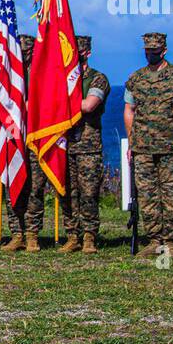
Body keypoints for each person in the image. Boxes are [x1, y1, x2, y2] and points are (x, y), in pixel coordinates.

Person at [124, 32, 173, 258]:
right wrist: (131, 141)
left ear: (164, 51)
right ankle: (154, 240)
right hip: (143, 149)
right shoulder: (135, 79)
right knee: (147, 196)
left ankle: (171, 241)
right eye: (148, 51)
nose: (151, 55)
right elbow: (129, 110)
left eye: (155, 51)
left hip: (172, 148)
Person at [0, 34, 45, 251]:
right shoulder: (2, 82)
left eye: (27, 52)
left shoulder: (42, 79)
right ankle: (16, 233)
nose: (23, 56)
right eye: (19, 52)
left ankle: (32, 234)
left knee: (35, 188)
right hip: (12, 140)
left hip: (35, 140)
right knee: (11, 186)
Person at [59, 35, 110, 253]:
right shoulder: (60, 79)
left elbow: (89, 105)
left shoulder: (98, 78)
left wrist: (58, 103)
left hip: (88, 146)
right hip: (63, 143)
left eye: (78, 52)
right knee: (67, 193)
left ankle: (89, 236)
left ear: (87, 53)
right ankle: (72, 236)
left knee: (88, 193)